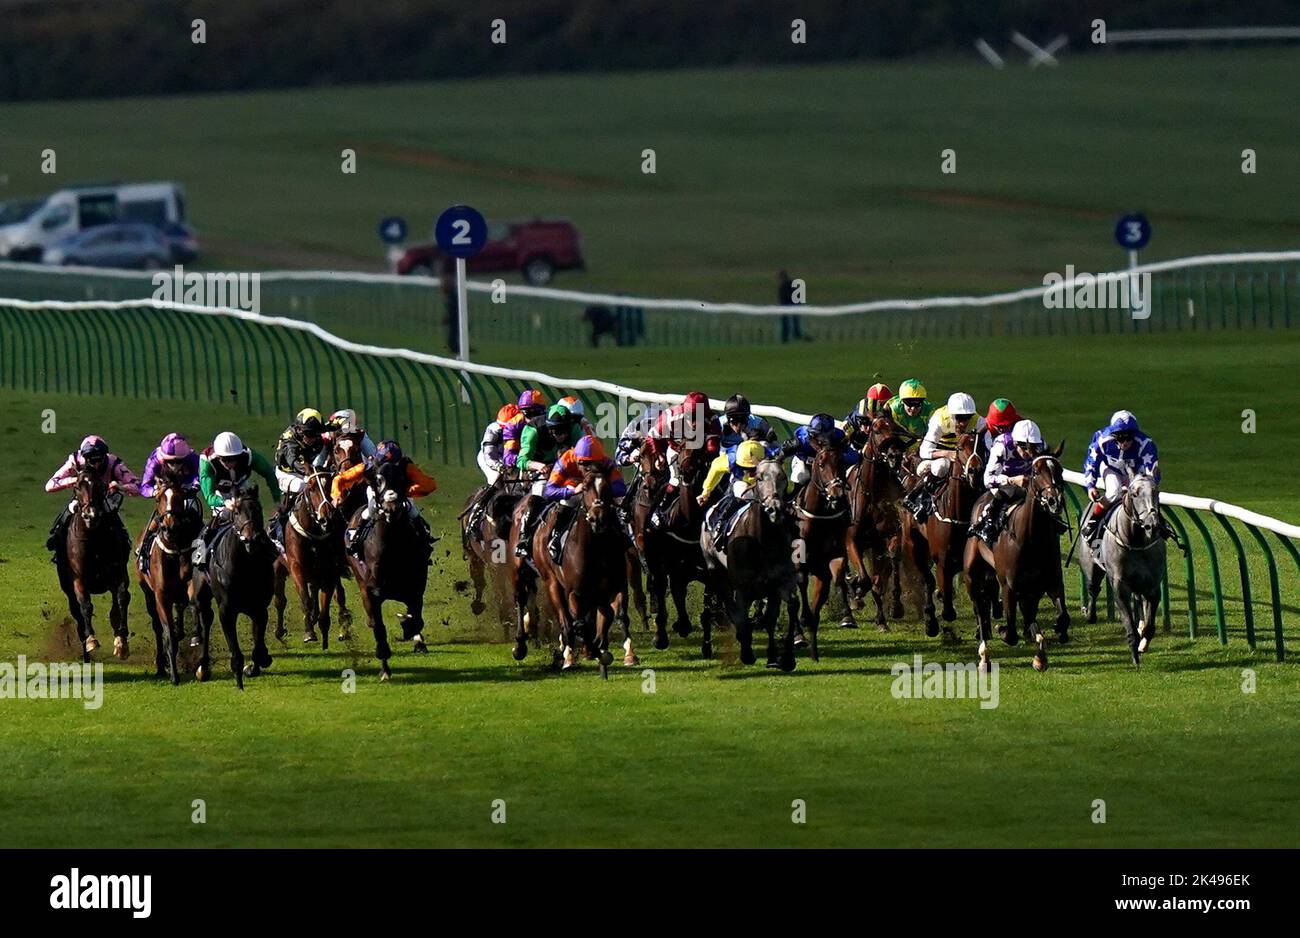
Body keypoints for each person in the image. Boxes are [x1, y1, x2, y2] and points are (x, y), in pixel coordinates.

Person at [332, 439, 438, 557]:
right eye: (383, 463)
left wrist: (406, 491)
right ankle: (356, 537)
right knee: (370, 510)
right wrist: (337, 495)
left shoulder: (406, 465)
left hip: (399, 494)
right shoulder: (370, 465)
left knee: (411, 510)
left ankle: (425, 538)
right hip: (376, 492)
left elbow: (429, 484)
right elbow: (340, 479)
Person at [192, 431, 281, 568]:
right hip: (219, 492)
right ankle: (199, 556)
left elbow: (269, 473)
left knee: (251, 515)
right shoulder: (207, 461)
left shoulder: (248, 455)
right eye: (225, 460)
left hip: (242, 487)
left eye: (234, 459)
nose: (230, 463)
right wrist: (224, 502)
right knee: (222, 516)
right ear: (218, 456)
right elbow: (209, 496)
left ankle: (272, 551)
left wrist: (276, 500)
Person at [45, 435, 140, 557]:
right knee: (71, 509)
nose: (96, 465)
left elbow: (138, 486)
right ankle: (57, 537)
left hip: (105, 498)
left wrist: (120, 487)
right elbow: (50, 485)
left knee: (114, 519)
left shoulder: (114, 463)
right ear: (85, 458)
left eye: (99, 460)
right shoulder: (75, 461)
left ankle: (123, 544)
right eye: (92, 461)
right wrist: (76, 481)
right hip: (83, 498)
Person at [1081, 410, 1166, 546]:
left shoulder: (1145, 444)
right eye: (1120, 438)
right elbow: (1091, 464)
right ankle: (1093, 521)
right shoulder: (1102, 440)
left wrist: (1149, 485)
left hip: (1135, 471)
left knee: (1146, 492)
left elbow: (1152, 470)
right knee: (1115, 491)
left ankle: (1159, 521)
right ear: (1113, 435)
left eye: (1128, 438)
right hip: (1110, 468)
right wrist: (1091, 486)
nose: (1124, 442)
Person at [536, 435, 627, 561]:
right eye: (586, 464)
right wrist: (572, 491)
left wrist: (604, 489)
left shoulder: (606, 461)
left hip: (596, 493)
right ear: (578, 460)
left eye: (594, 464)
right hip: (572, 493)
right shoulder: (567, 459)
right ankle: (556, 539)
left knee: (611, 509)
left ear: (600, 460)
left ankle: (625, 541)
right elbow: (549, 491)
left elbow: (621, 487)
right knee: (565, 503)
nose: (590, 468)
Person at [514, 403, 586, 557]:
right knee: (539, 493)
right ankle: (524, 538)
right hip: (538, 472)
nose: (561, 435)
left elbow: (584, 453)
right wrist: (538, 466)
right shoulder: (533, 430)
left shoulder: (574, 428)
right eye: (556, 431)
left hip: (565, 470)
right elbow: (521, 461)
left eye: (564, 430)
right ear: (549, 427)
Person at [903, 392, 985, 522]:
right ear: (951, 414)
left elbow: (989, 447)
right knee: (941, 467)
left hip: (967, 457)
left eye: (967, 417)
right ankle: (923, 503)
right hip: (943, 454)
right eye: (958, 417)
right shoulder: (939, 419)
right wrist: (947, 454)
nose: (963, 423)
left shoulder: (979, 421)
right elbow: (924, 451)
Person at [970, 419, 1044, 545]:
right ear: (1015, 442)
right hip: (1004, 483)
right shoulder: (1002, 445)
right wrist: (1012, 480)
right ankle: (988, 523)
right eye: (1024, 447)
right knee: (1006, 492)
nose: (1029, 452)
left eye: (1033, 447)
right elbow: (987, 480)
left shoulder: (1041, 446)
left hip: (1030, 484)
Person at [136, 432, 201, 573]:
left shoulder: (194, 459)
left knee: (197, 520)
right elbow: (144, 486)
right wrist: (155, 491)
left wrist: (193, 486)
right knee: (158, 519)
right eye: (171, 462)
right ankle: (143, 549)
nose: (175, 465)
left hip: (185, 493)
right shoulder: (154, 460)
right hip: (165, 495)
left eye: (179, 462)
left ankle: (201, 556)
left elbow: (199, 476)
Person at [272, 408, 331, 543]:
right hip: (286, 474)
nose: (313, 438)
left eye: (317, 433)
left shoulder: (311, 434)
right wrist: (308, 471)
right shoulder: (289, 441)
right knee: (301, 485)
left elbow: (332, 426)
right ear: (299, 430)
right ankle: (277, 524)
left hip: (307, 470)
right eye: (309, 433)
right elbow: (295, 462)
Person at [699, 439, 770, 542]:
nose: (750, 471)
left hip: (762, 482)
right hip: (741, 481)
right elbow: (715, 469)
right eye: (745, 467)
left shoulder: (769, 456)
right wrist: (705, 493)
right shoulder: (730, 459)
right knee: (744, 493)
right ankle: (720, 526)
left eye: (753, 468)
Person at [779, 413, 859, 491]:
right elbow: (780, 455)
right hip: (804, 461)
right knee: (802, 476)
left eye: (825, 437)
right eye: (818, 436)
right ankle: (794, 499)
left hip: (828, 463)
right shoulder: (801, 439)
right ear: (812, 434)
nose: (821, 441)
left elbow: (854, 458)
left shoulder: (839, 437)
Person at [502, 389, 548, 469]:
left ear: (543, 412)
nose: (532, 419)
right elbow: (508, 457)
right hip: (523, 463)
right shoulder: (513, 425)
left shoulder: (550, 421)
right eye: (527, 414)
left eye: (535, 414)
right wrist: (528, 463)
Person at [884, 378, 934, 445]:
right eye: (909, 404)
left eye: (917, 404)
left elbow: (933, 435)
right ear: (902, 401)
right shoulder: (893, 410)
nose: (913, 409)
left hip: (922, 442)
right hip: (898, 441)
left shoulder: (930, 411)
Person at [778, 269, 810, 343]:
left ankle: (786, 339)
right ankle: (796, 336)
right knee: (795, 323)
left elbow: (783, 298)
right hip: (794, 306)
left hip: (788, 306)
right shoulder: (792, 283)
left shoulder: (784, 285)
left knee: (786, 323)